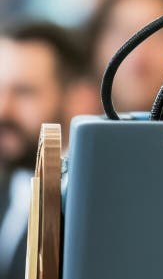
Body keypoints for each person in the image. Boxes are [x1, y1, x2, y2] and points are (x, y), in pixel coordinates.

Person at [0, 21, 95, 279]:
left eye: (24, 92)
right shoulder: (8, 184)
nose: (3, 110)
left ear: (80, 98)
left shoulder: (93, 210)